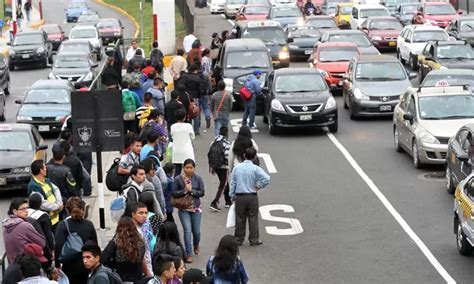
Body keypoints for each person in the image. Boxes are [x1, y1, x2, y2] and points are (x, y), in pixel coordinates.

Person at [230, 147, 270, 246]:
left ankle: (239, 239)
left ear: (244, 155)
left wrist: (232, 195)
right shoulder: (256, 168)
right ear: (254, 156)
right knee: (253, 218)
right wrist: (258, 186)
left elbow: (233, 182)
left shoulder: (237, 168)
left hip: (240, 196)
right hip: (252, 196)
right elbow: (267, 178)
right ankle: (254, 239)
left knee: (240, 218)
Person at [55, 197, 98, 284]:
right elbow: (95, 246)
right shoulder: (89, 225)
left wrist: (57, 264)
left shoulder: (63, 225)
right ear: (83, 208)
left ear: (68, 210)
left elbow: (58, 246)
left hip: (69, 265)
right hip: (86, 265)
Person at [172, 159, 204, 263]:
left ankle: (196, 244)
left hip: (196, 208)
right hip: (183, 208)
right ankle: (188, 253)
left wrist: (192, 191)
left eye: (191, 168)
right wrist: (184, 191)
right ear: (183, 168)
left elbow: (202, 192)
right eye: (187, 167)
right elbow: (174, 193)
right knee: (187, 230)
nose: (189, 170)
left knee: (197, 232)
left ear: (194, 168)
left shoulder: (198, 179)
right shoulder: (178, 179)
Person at [102, 216, 146, 282]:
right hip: (137, 279)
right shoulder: (141, 242)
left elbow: (103, 259)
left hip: (120, 279)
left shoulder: (115, 242)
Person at [2, 198, 46, 264]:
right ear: (15, 211)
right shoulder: (25, 226)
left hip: (12, 265)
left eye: (27, 208)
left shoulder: (5, 225)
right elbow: (42, 242)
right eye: (23, 209)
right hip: (26, 265)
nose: (26, 211)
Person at [27, 160, 63, 229]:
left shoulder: (46, 180)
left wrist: (59, 203)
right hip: (46, 221)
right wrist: (58, 206)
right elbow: (42, 203)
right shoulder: (33, 186)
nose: (46, 169)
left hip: (55, 218)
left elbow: (56, 189)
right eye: (45, 167)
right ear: (41, 170)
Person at [209, 126, 232, 211]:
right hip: (223, 166)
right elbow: (227, 155)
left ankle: (228, 201)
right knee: (223, 184)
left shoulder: (214, 141)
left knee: (225, 183)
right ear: (226, 133)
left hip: (215, 165)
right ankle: (215, 202)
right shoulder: (226, 143)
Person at [28, 193, 54, 260]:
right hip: (41, 247)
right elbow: (48, 235)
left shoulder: (24, 213)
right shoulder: (43, 216)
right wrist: (52, 249)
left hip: (27, 245)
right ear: (40, 204)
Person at [130, 202, 153, 278]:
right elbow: (140, 255)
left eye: (146, 213)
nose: (144, 216)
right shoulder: (133, 231)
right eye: (141, 213)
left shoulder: (145, 226)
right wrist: (148, 272)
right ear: (133, 214)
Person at [170, 109, 195, 175]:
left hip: (176, 151)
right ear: (184, 117)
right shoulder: (188, 126)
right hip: (187, 151)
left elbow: (172, 136)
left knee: (177, 171)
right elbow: (193, 137)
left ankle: (176, 184)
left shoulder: (173, 126)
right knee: (189, 171)